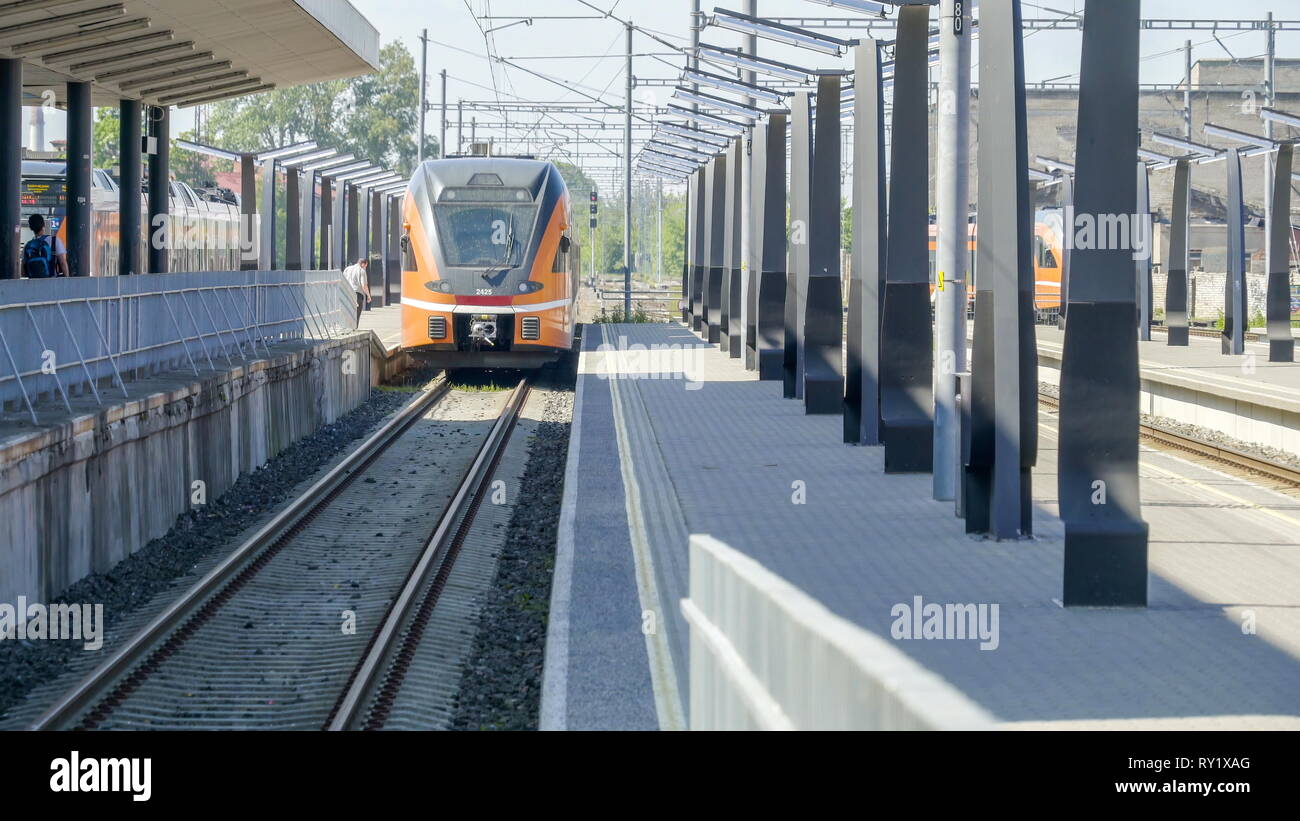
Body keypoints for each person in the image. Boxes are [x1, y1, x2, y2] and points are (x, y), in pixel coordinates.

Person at [22, 214, 69, 278]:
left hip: (33, 283)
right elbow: (63, 263)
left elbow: (23, 272)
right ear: (43, 225)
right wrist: (67, 278)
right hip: (51, 281)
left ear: (30, 228)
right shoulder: (54, 241)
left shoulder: (28, 246)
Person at [342, 257, 371, 323]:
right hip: (357, 295)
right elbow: (364, 285)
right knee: (356, 315)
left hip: (347, 293)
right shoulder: (362, 271)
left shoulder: (347, 269)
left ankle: (347, 328)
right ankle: (354, 328)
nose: (365, 268)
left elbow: (343, 280)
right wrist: (368, 296)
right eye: (366, 266)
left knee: (348, 312)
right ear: (363, 264)